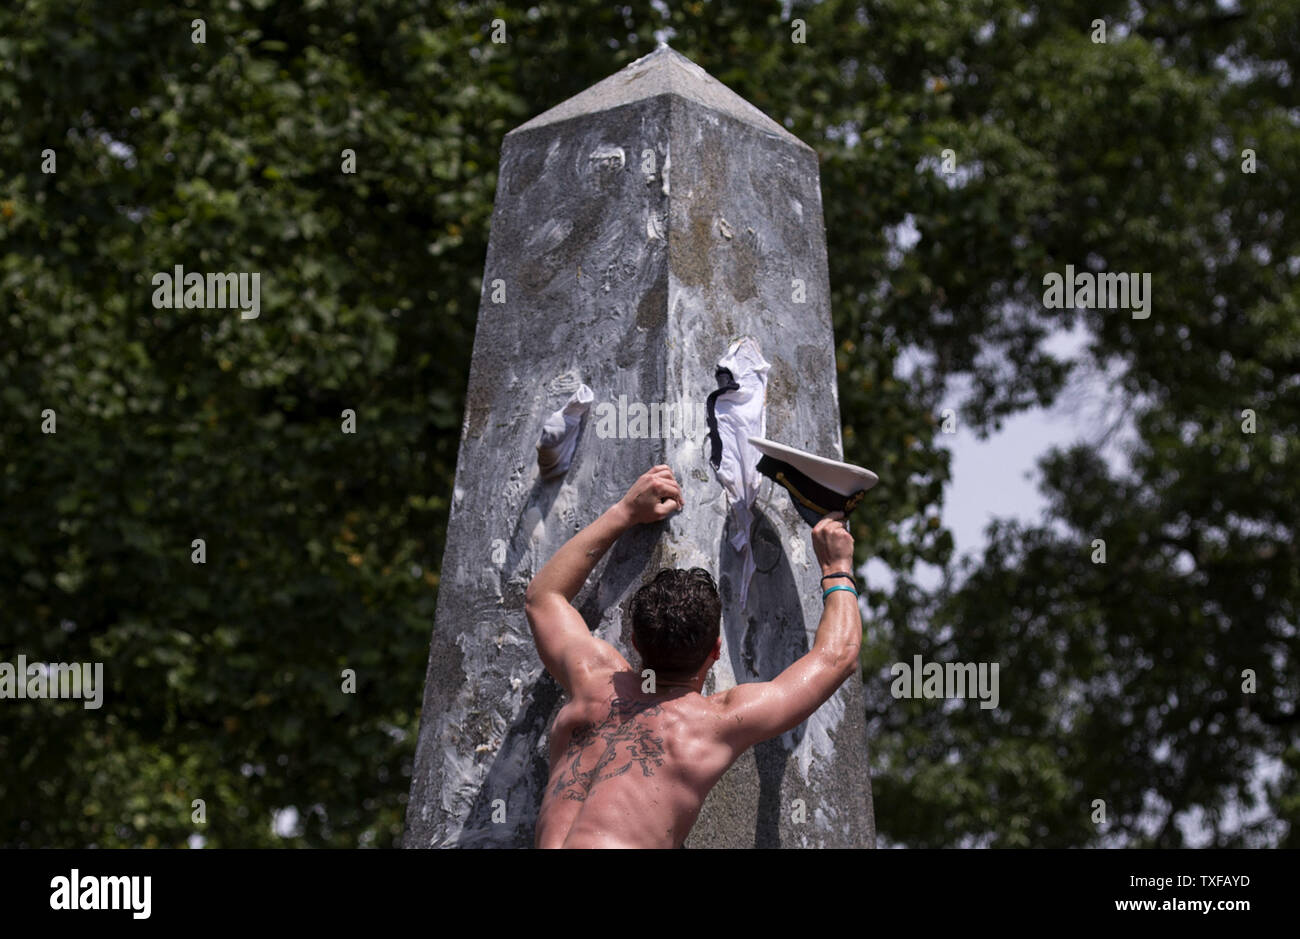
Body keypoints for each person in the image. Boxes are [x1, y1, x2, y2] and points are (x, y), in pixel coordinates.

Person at [523, 464, 862, 848]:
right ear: (716, 651)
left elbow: (543, 597)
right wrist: (838, 569)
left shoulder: (594, 679)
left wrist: (626, 511)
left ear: (634, 640)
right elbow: (838, 657)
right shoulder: (710, 724)